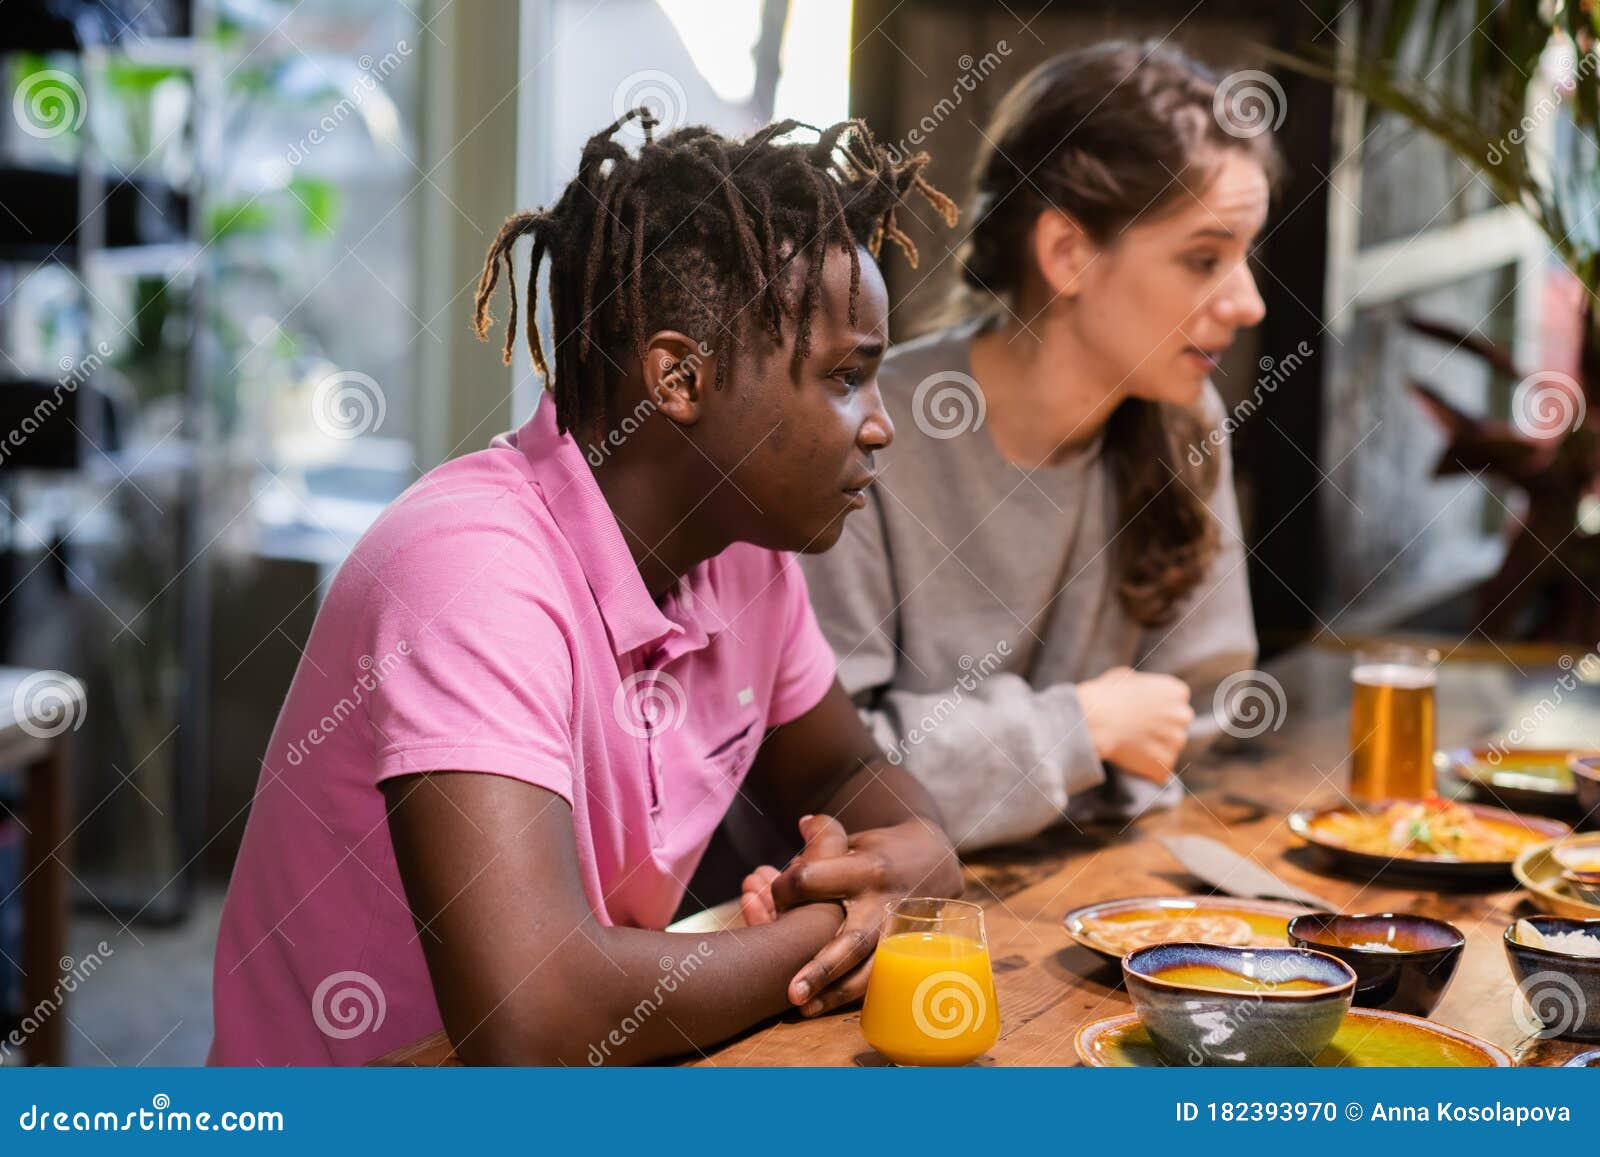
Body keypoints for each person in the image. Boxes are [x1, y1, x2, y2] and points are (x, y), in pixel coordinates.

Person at [208, 110, 963, 1065]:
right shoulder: (470, 572)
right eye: (848, 377)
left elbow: (839, 773)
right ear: (680, 377)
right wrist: (849, 926)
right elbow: (535, 1017)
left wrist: (917, 848)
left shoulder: (747, 555)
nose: (882, 425)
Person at [783, 43, 1281, 857]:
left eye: (1245, 256)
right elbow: (834, 779)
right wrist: (1082, 729)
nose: (1250, 301)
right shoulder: (864, 434)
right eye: (1203, 258)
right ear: (1066, 253)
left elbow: (1196, 708)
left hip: (1074, 885)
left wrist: (1073, 749)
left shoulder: (1186, 423)